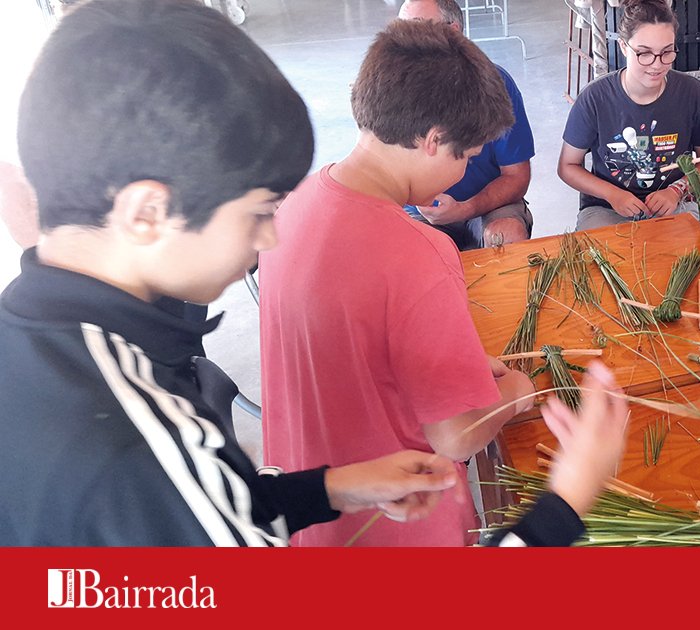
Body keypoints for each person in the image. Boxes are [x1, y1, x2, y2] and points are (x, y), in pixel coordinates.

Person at [0, 0, 624, 547]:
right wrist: (565, 504)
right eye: (256, 213)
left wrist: (327, 489)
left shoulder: (45, 348)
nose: (269, 238)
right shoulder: (135, 444)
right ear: (146, 212)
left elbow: (220, 509)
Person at [258, 20, 539, 547]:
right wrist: (518, 393)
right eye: (467, 157)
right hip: (401, 523)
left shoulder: (293, 206)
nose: (463, 172)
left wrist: (468, 375)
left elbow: (362, 355)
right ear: (434, 141)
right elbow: (456, 437)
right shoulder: (420, 251)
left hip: (311, 507)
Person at [559, 0, 700, 231]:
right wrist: (613, 194)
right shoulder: (595, 97)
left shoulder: (692, 92)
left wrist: (677, 190)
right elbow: (567, 166)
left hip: (673, 203)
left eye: (667, 52)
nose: (657, 65)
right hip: (606, 207)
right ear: (624, 47)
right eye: (644, 53)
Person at [397, 0, 535, 250]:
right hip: (421, 210)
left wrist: (466, 209)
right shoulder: (391, 90)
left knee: (506, 236)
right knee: (414, 248)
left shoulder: (495, 84)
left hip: (487, 204)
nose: (403, 42)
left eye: (417, 29)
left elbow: (516, 176)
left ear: (453, 31)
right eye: (399, 30)